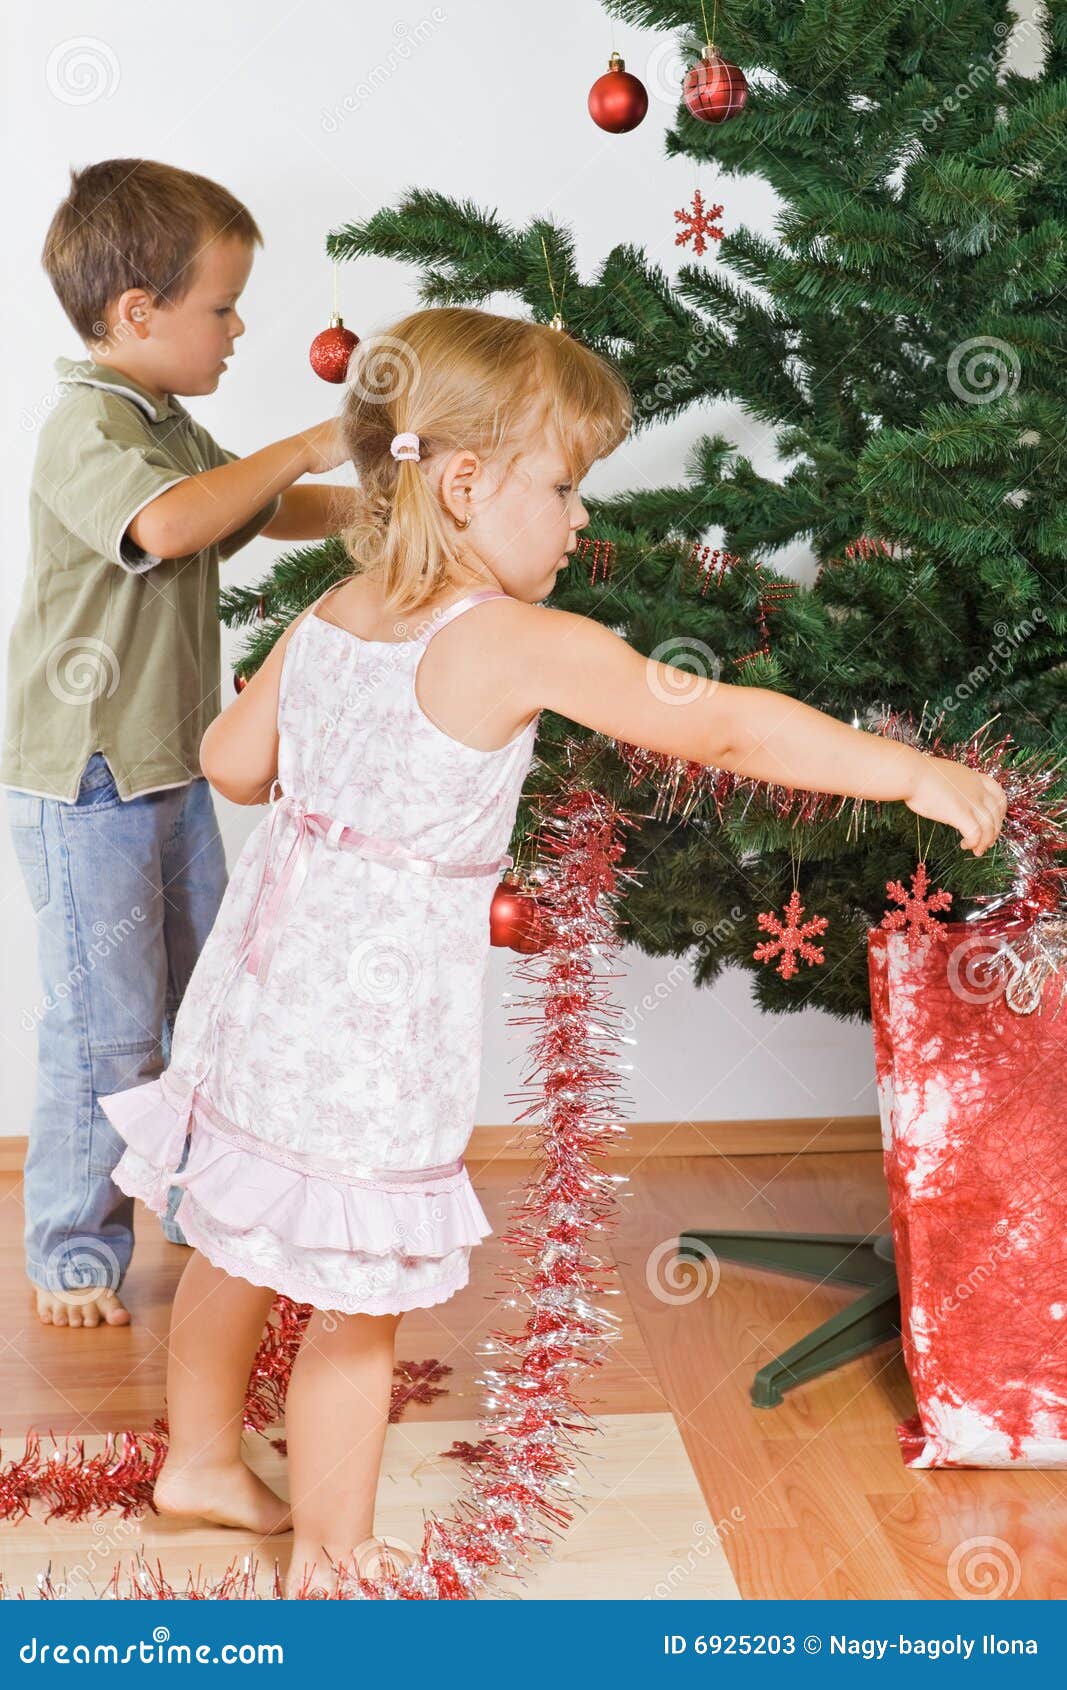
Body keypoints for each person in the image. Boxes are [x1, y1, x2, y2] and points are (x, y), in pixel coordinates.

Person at [98, 306, 1007, 1596]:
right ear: (464, 481)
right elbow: (726, 729)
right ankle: (335, 1551)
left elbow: (229, 766)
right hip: (369, 1024)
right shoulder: (511, 639)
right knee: (360, 1301)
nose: (582, 521)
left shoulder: (341, 605)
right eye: (566, 487)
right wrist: (904, 772)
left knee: (236, 1229)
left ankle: (198, 1458)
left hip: (257, 992)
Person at [2, 158, 350, 1330]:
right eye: (222, 305)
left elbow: (245, 507)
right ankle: (73, 1248)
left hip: (171, 771)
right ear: (136, 314)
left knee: (204, 1008)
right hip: (88, 782)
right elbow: (171, 520)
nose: (241, 326)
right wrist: (307, 444)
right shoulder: (84, 426)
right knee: (105, 1026)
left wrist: (369, 503)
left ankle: (204, 1220)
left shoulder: (164, 418)